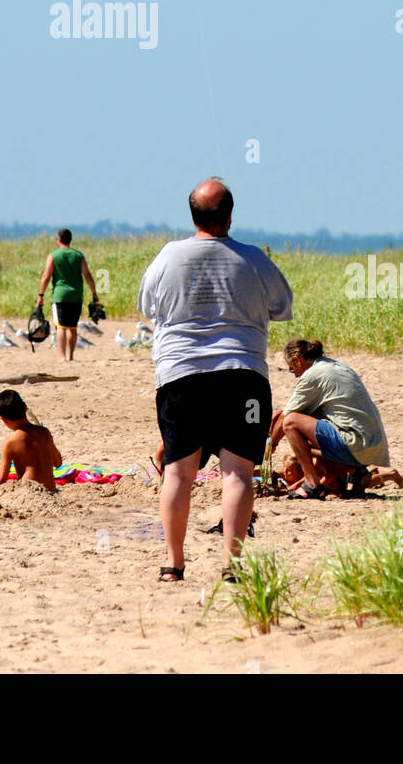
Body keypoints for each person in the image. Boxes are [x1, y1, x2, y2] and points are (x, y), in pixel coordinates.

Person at [138, 178, 293, 583]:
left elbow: (147, 306)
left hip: (180, 375)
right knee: (238, 472)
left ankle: (173, 563)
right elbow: (282, 305)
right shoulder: (253, 259)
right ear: (229, 215)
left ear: (192, 215)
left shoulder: (169, 256)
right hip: (242, 374)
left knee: (177, 471)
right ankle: (232, 565)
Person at [269, 339, 390, 499]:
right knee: (303, 439)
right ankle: (353, 471)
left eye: (292, 370)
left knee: (291, 423)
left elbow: (286, 417)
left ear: (297, 360)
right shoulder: (338, 365)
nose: (296, 376)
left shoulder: (312, 375)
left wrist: (270, 445)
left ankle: (312, 484)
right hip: (374, 447)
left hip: (355, 444)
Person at [36, 229, 99, 363]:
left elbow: (46, 277)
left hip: (60, 296)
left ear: (58, 240)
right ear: (70, 240)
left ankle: (61, 356)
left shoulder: (53, 256)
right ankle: (70, 356)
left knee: (60, 327)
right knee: (72, 327)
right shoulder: (78, 255)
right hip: (76, 296)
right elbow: (87, 275)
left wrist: (40, 295)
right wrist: (94, 293)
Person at [0, 390, 62, 493]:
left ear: (4, 419)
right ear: (25, 409)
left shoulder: (10, 443)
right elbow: (58, 463)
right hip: (51, 491)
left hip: (29, 493)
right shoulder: (45, 432)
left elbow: (1, 479)